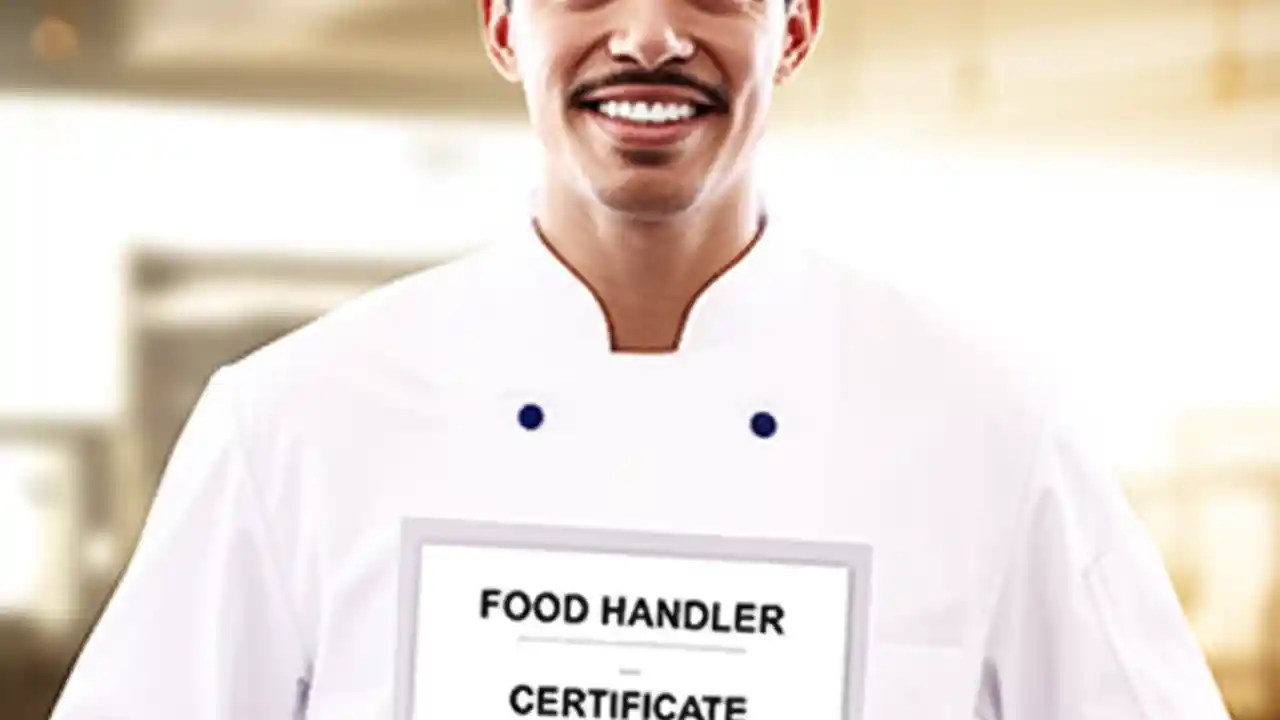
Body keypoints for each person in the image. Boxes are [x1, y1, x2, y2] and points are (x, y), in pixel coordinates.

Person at [54, 0, 1230, 717]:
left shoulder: (992, 431)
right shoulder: (290, 421)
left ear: (796, 23)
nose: (652, 35)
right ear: (503, 23)